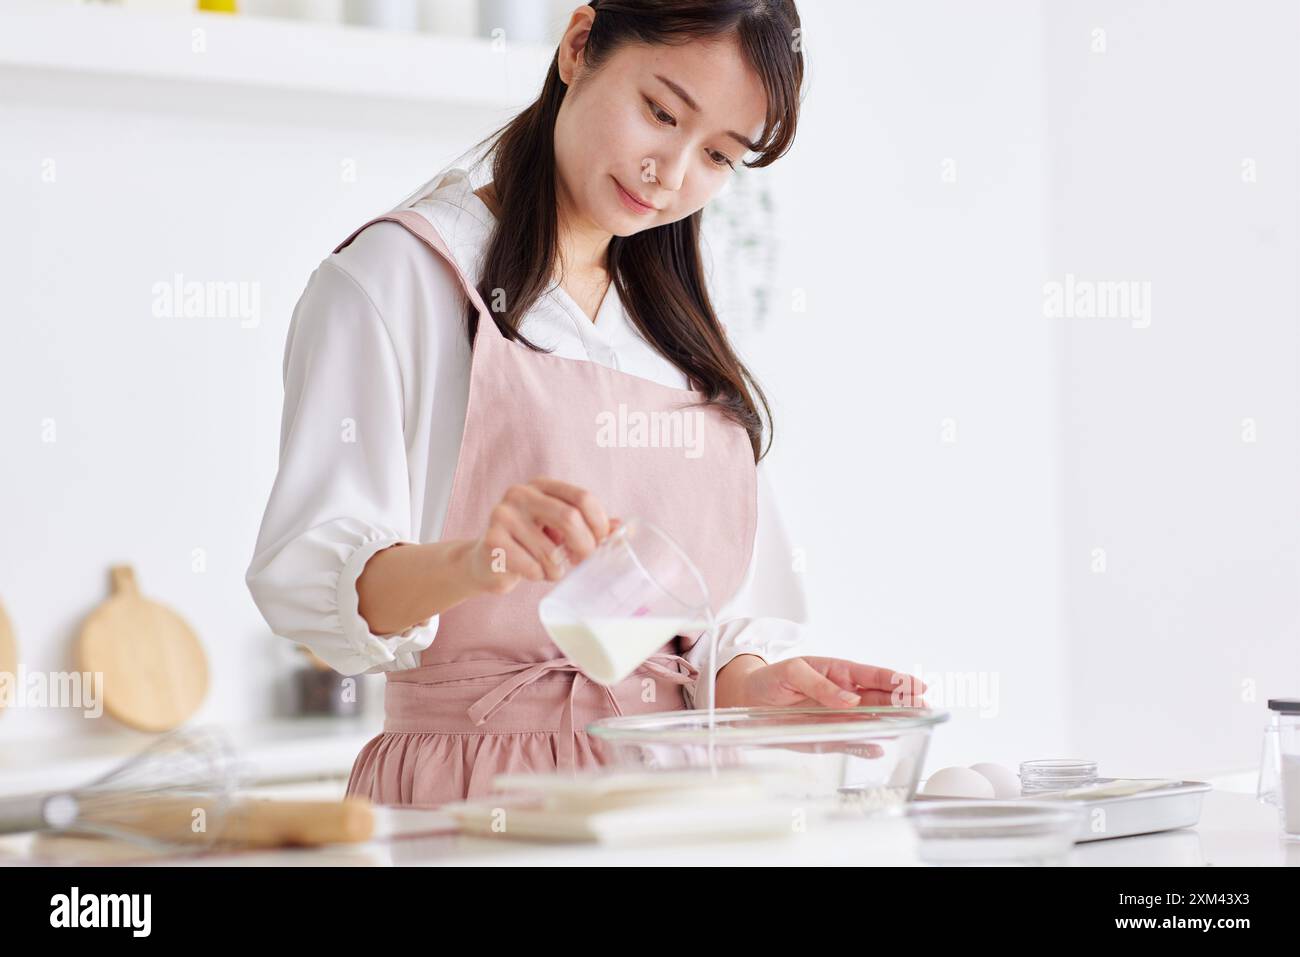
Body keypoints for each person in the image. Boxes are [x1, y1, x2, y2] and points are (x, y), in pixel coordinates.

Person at [246, 0, 925, 808]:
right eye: (660, 112)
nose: (670, 174)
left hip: (675, 802)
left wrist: (756, 684)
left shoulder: (677, 339)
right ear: (578, 46)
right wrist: (476, 561)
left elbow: (702, 629)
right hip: (476, 794)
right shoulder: (400, 277)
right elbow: (314, 582)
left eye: (716, 155)